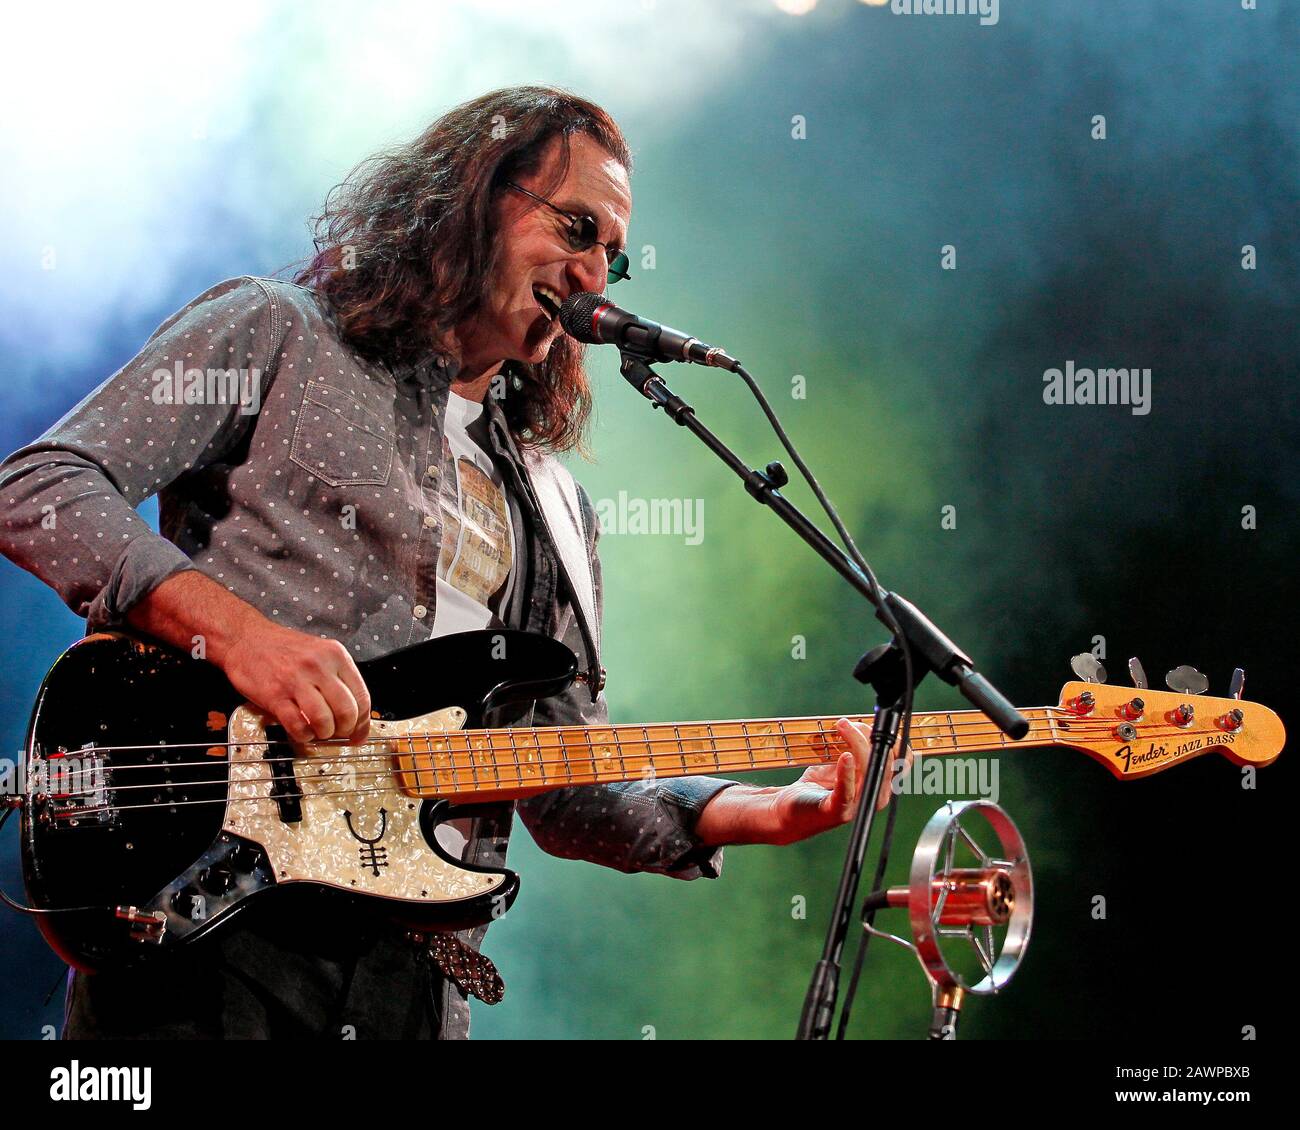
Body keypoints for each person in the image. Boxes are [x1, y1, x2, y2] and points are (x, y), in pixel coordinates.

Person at [0, 86, 890, 1040]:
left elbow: (564, 780)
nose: (597, 271)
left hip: (412, 975)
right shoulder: (280, 332)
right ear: (475, 196)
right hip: (209, 916)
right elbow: (41, 485)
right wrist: (243, 637)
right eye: (577, 227)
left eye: (612, 255)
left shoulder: (556, 506)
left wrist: (759, 809)